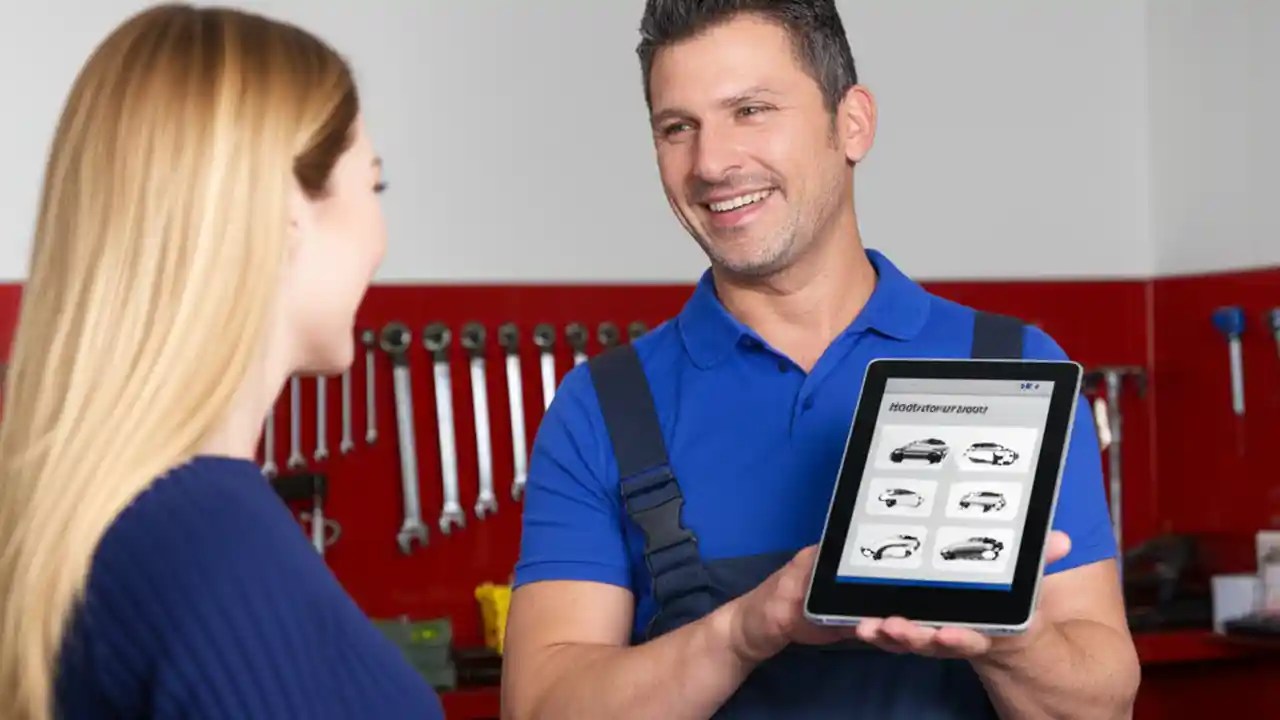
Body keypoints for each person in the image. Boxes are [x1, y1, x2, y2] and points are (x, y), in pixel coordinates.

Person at [502, 1, 1141, 718]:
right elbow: (538, 707)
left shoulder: (1011, 368)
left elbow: (1102, 706)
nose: (710, 163)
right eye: (678, 127)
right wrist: (746, 630)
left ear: (853, 123)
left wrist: (1009, 640)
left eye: (751, 110)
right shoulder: (604, 406)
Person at [0, 5, 444, 719]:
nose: (380, 237)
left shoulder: (116, 529)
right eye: (374, 185)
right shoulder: (208, 547)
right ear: (286, 208)